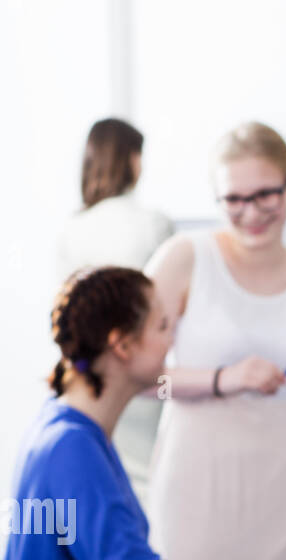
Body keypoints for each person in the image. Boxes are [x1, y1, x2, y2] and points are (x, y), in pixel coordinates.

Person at [0, 266, 286, 560]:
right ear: (123, 346)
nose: (172, 338)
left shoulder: (66, 427)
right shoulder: (72, 448)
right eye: (162, 325)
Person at [146, 121, 286, 560]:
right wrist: (226, 378)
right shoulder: (184, 258)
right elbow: (136, 375)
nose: (251, 212)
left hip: (279, 481)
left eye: (265, 195)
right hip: (194, 478)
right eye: (233, 199)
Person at [57, 118, 174, 510]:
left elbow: (65, 312)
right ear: (131, 160)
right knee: (148, 486)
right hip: (144, 373)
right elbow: (167, 310)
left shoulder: (73, 229)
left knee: (99, 481)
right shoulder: (154, 224)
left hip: (90, 378)